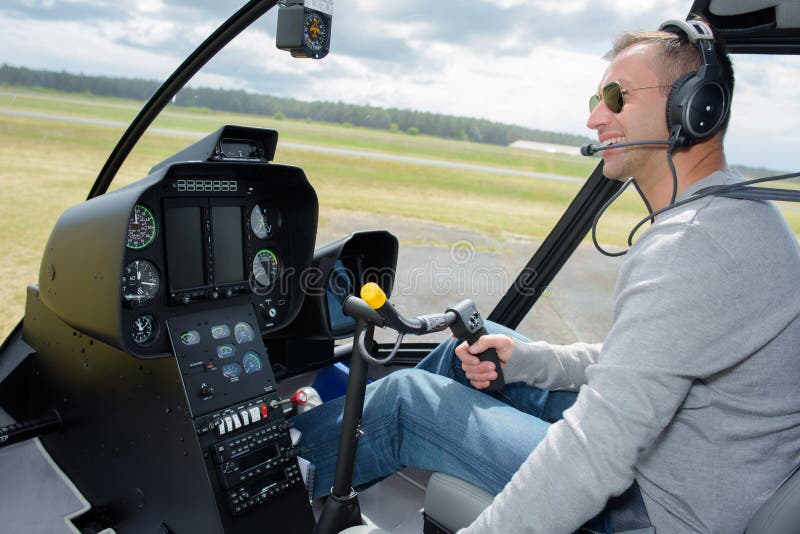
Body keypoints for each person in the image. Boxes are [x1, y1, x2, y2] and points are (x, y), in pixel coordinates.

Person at [292, 19, 800, 533]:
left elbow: (595, 451)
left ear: (693, 107)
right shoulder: (742, 216)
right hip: (691, 470)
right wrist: (535, 361)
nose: (595, 119)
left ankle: (271, 475)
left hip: (661, 513)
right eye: (596, 100)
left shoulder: (692, 245)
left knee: (407, 401)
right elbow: (653, 356)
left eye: (616, 97)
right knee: (469, 351)